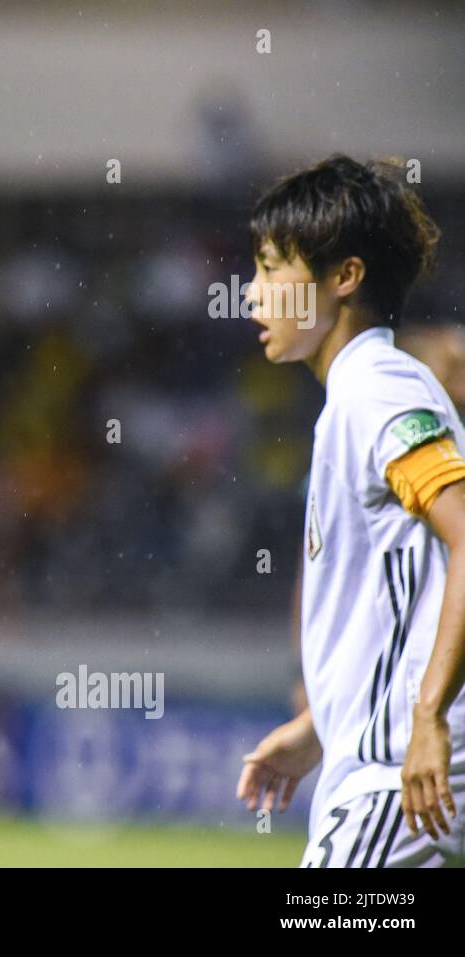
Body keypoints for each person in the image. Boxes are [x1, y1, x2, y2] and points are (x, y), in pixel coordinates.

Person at [236, 154, 465, 867]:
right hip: (395, 769)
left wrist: (425, 716)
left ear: (345, 277)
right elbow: (401, 602)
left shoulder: (376, 387)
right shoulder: (361, 395)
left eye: (273, 269)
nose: (252, 296)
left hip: (394, 787)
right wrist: (321, 727)